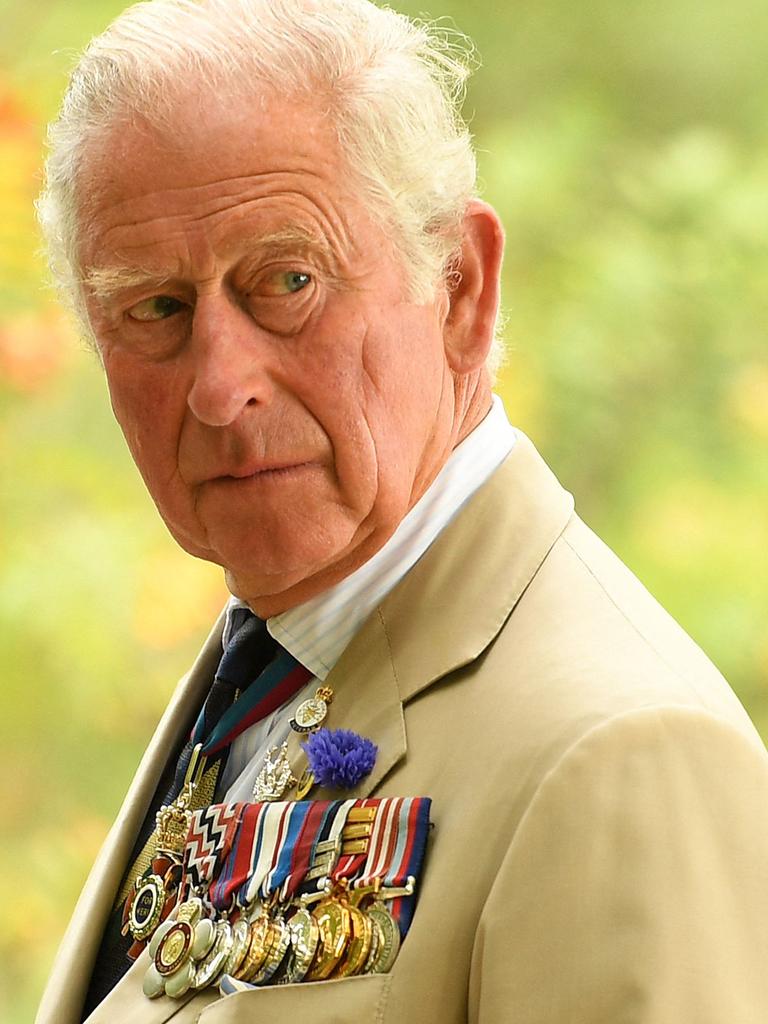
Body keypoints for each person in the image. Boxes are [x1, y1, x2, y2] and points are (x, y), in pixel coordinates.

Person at [35, 1, 768, 1021]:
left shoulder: (619, 750)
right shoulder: (272, 656)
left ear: (461, 288)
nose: (217, 386)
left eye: (286, 281)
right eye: (154, 308)